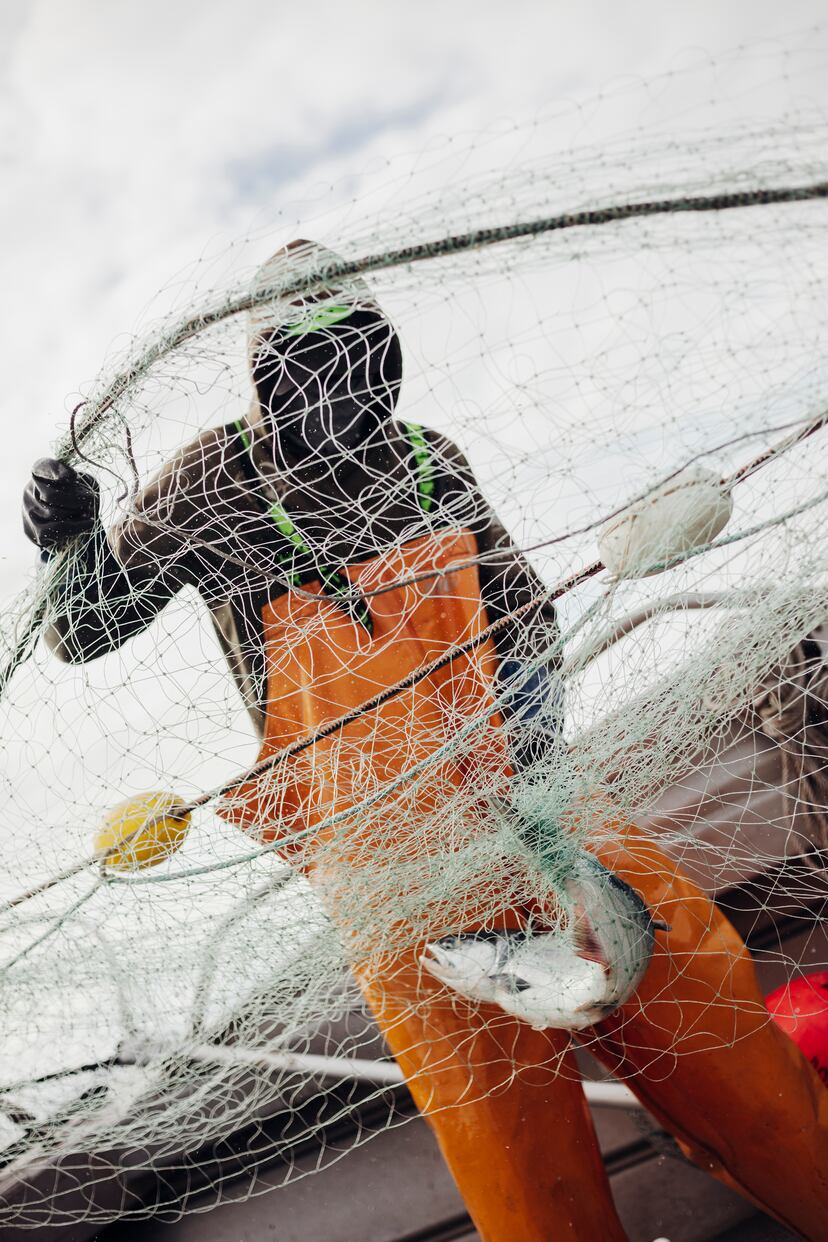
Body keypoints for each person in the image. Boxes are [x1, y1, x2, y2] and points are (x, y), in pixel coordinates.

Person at [23, 243, 828, 1241]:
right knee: (518, 1162)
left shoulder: (427, 456)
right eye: (301, 369)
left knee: (728, 1049)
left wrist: (535, 799)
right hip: (394, 870)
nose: (335, 391)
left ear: (383, 356)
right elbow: (87, 628)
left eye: (357, 358)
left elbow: (523, 617)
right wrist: (73, 546)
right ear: (263, 375)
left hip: (533, 791)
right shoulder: (210, 480)